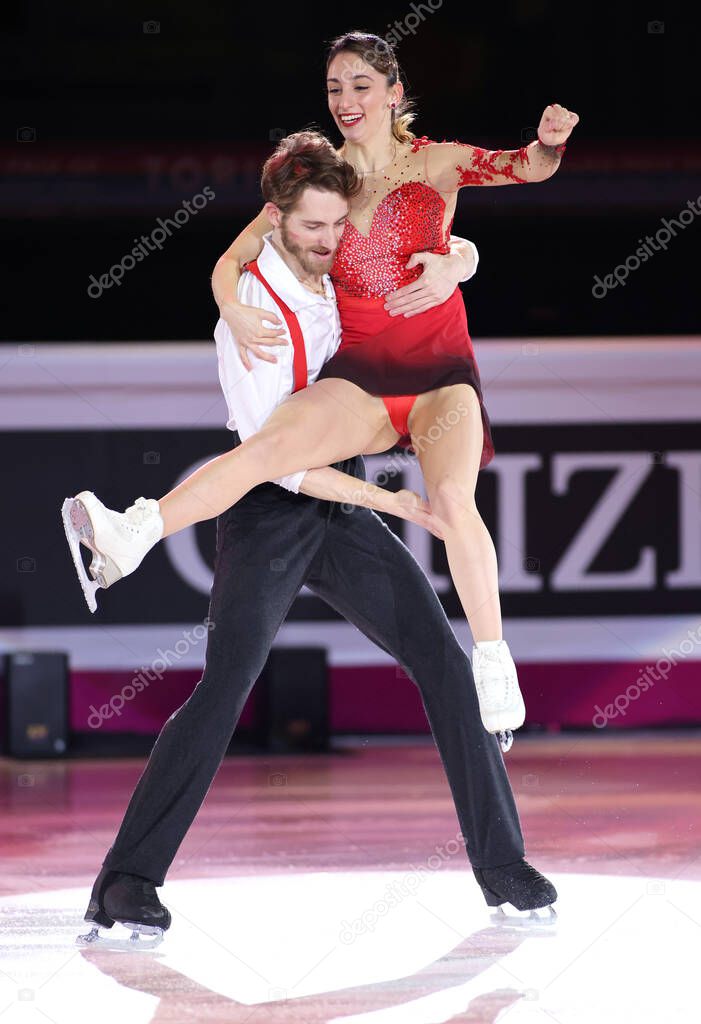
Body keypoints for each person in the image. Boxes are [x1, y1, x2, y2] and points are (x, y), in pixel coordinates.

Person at [76, 150, 556, 945]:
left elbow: (426, 253)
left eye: (337, 222)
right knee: (224, 691)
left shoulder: (334, 270)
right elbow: (284, 463)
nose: (331, 237)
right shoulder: (255, 316)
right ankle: (124, 884)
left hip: (340, 501)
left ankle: (504, 868)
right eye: (313, 225)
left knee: (442, 661)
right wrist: (392, 499)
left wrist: (460, 258)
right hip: (272, 506)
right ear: (275, 220)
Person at [61, 31, 579, 751]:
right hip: (362, 379)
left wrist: (542, 151)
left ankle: (491, 662)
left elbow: (527, 167)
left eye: (362, 85)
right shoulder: (323, 182)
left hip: (439, 376)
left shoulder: (437, 162)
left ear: (394, 91)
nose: (347, 101)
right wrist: (231, 306)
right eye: (335, 88)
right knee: (270, 446)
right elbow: (235, 253)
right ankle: (131, 533)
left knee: (453, 501)